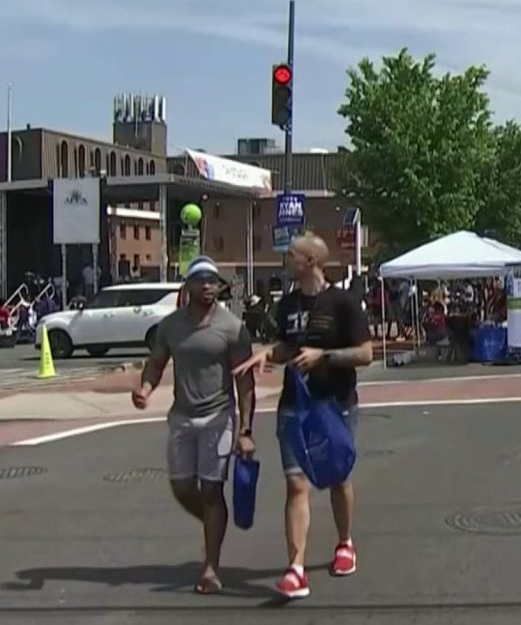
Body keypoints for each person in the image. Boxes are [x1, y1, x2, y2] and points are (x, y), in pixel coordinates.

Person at [232, 233, 372, 600]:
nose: (285, 259)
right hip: (295, 404)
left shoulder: (343, 302)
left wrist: (323, 356)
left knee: (338, 476)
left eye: (291, 255)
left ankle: (345, 543)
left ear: (310, 261)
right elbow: (286, 346)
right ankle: (295, 568)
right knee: (296, 484)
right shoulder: (287, 304)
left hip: (336, 403)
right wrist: (268, 354)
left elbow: (366, 353)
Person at [132, 256, 255, 594]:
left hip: (219, 417)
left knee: (212, 490)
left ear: (219, 286)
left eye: (212, 281)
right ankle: (215, 524)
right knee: (182, 488)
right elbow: (156, 363)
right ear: (186, 285)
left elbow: (245, 383)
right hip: (182, 417)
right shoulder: (171, 326)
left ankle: (210, 568)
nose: (207, 286)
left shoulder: (232, 327)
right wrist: (145, 388)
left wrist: (245, 431)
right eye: (200, 280)